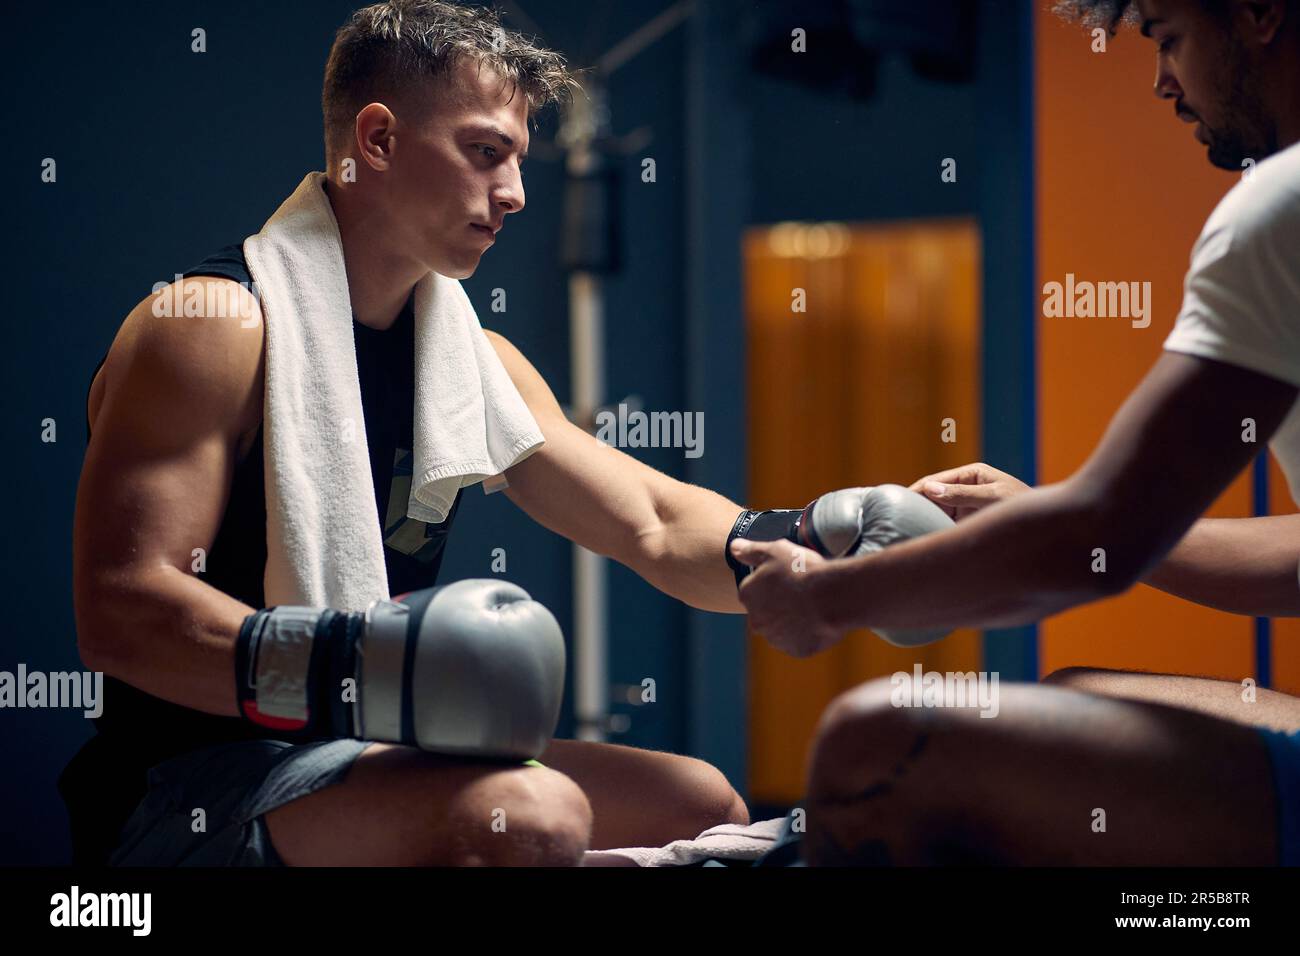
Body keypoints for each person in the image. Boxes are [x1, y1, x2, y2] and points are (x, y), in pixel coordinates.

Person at [61, 0, 770, 867]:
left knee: (697, 803)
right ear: (379, 140)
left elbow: (654, 524)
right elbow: (123, 610)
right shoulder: (211, 325)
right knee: (528, 811)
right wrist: (368, 669)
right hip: (187, 788)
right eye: (485, 153)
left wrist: (821, 550)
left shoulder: (474, 360)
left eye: (517, 159)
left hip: (357, 757)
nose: (513, 191)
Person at [731, 0, 1300, 864]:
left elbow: (1095, 537)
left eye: (1166, 36)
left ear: (1258, 13)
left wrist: (824, 602)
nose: (1161, 82)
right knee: (1080, 699)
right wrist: (1041, 513)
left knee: (880, 744)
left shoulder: (1277, 210)